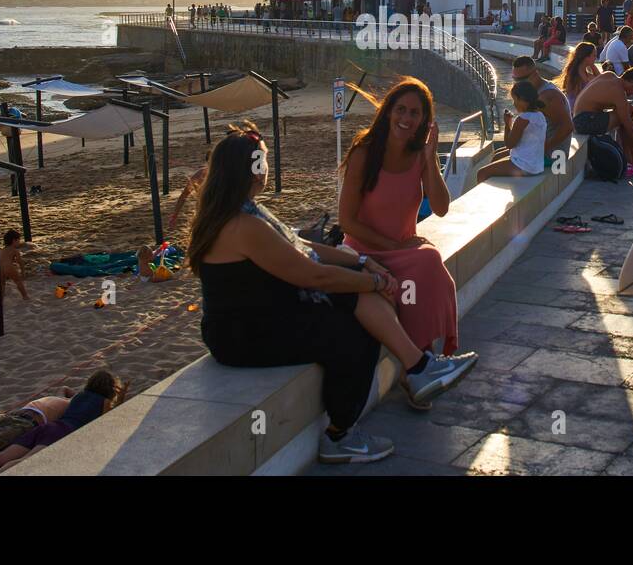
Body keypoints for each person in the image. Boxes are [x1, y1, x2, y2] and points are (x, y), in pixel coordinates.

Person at [191, 123, 477, 463]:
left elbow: (302, 246)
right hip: (242, 334)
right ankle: (340, 435)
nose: (267, 168)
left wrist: (361, 262)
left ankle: (418, 367)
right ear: (252, 170)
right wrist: (371, 281)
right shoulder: (243, 225)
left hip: (267, 311)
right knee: (352, 333)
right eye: (264, 162)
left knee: (358, 296)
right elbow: (314, 276)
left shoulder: (244, 210)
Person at [339, 80, 463, 382]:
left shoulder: (419, 154)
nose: (406, 119)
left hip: (402, 253)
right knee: (428, 261)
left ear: (424, 120)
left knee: (429, 267)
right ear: (388, 112)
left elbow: (442, 208)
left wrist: (431, 156)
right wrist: (396, 246)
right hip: (365, 253)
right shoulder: (364, 153)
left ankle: (422, 363)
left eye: (415, 113)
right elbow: (347, 222)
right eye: (401, 110)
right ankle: (422, 366)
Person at [0, 371, 129, 475]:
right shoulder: (103, 402)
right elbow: (108, 419)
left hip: (47, 427)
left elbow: (68, 392)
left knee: (2, 456)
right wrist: (121, 397)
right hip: (62, 432)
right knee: (26, 460)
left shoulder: (79, 396)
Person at [571, 68, 633, 171]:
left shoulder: (610, 75)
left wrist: (627, 105)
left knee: (628, 112)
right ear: (632, 82)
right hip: (585, 122)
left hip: (580, 119)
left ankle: (632, 158)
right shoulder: (618, 91)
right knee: (627, 117)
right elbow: (630, 128)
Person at [477, 81, 547, 181]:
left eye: (515, 100)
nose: (514, 104)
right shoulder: (540, 115)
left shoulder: (523, 119)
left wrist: (507, 124)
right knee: (497, 156)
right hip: (536, 165)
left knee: (482, 173)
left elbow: (509, 144)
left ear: (522, 100)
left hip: (524, 166)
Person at [511, 57, 573, 166]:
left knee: (484, 172)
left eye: (522, 79)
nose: (518, 84)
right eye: (515, 79)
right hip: (542, 150)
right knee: (498, 155)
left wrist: (542, 149)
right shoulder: (534, 91)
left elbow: (567, 127)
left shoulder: (547, 96)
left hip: (554, 155)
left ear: (535, 73)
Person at [557, 40, 601, 105]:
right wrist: (592, 65)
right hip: (576, 110)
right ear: (586, 57)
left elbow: (600, 80)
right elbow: (600, 81)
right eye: (594, 55)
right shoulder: (577, 75)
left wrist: (592, 64)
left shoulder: (580, 72)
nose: (596, 58)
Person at [0, 229, 30, 300]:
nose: (19, 242)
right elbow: (20, 262)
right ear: (14, 240)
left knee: (2, 283)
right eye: (19, 240)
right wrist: (23, 272)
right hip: (9, 267)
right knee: (18, 281)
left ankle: (1, 295)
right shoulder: (15, 250)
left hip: (0, 268)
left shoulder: (1, 250)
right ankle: (25, 296)